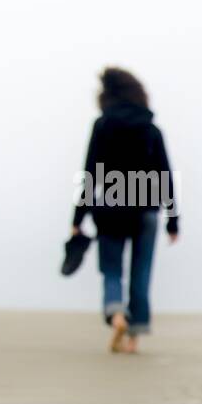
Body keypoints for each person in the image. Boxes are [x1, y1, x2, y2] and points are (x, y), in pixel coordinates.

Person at [72, 67, 179, 353]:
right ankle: (134, 337)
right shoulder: (150, 129)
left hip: (109, 206)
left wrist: (77, 218)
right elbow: (165, 176)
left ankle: (117, 314)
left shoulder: (103, 125)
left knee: (111, 270)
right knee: (141, 273)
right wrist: (173, 220)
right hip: (146, 209)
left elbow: (90, 173)